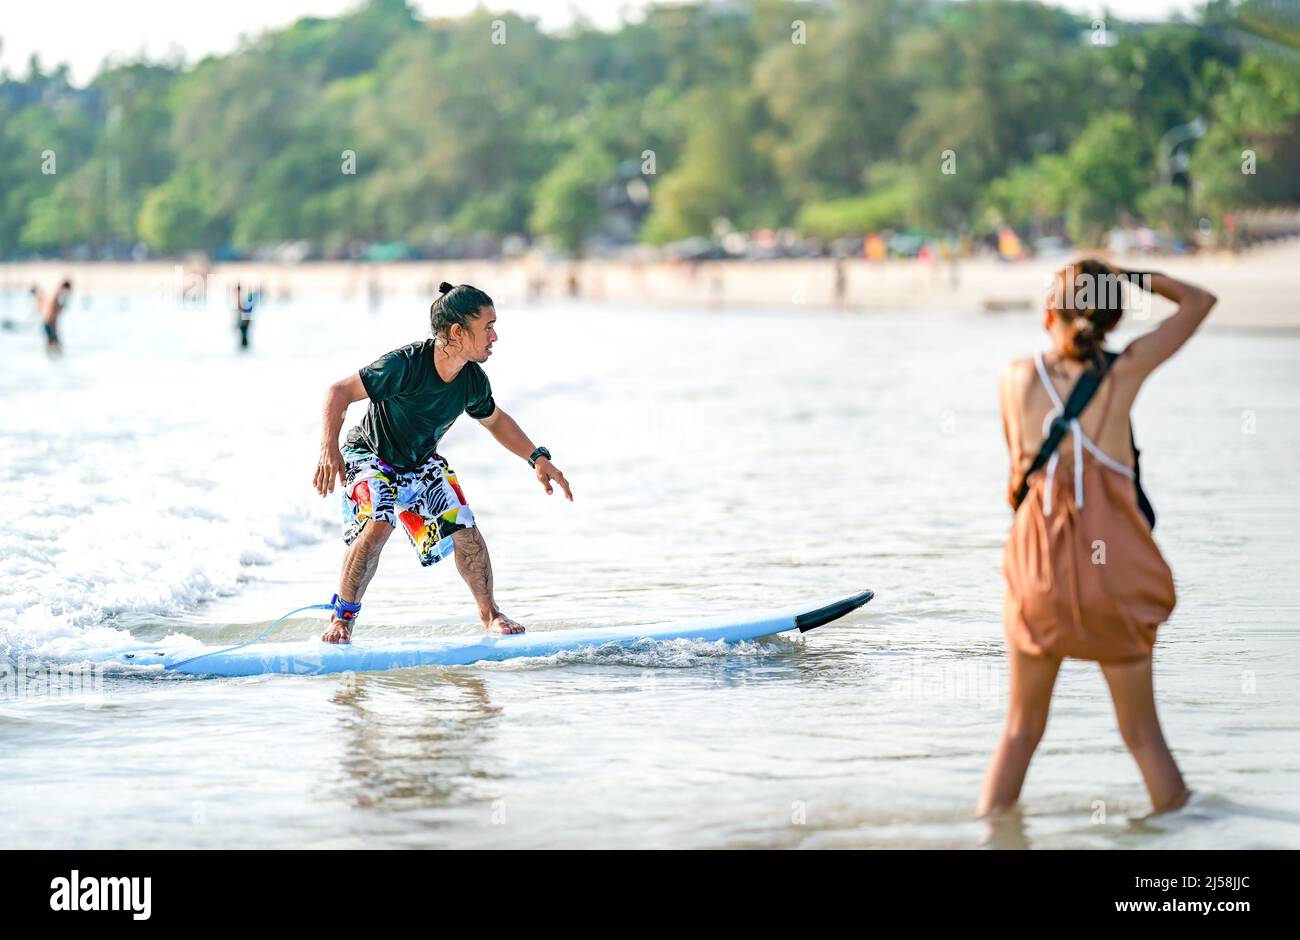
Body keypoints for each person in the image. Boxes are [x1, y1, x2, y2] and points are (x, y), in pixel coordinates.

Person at [979, 258, 1217, 818]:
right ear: (1110, 320)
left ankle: (990, 834)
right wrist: (1130, 277)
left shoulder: (1014, 378)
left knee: (1019, 731)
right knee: (1141, 735)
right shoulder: (1125, 372)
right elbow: (1200, 301)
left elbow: (1017, 478)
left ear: (1048, 314)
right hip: (1112, 574)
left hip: (1039, 575)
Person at [313, 282, 572, 643]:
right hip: (370, 455)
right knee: (379, 521)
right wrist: (329, 448)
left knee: (464, 529)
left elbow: (495, 420)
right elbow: (338, 392)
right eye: (488, 327)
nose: (494, 335)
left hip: (420, 463)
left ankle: (491, 615)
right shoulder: (405, 365)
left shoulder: (471, 380)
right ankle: (341, 620)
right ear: (457, 332)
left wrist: (536, 458)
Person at [41, 279, 72, 356]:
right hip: (49, 323)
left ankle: (54, 363)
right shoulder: (56, 296)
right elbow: (52, 313)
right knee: (53, 344)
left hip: (48, 323)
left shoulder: (55, 294)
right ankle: (56, 362)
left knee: (53, 344)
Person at [234, 282, 257, 350]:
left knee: (244, 333)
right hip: (245, 318)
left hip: (245, 318)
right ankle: (244, 345)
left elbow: (241, 307)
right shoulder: (244, 297)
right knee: (244, 333)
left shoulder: (244, 297)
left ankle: (244, 346)